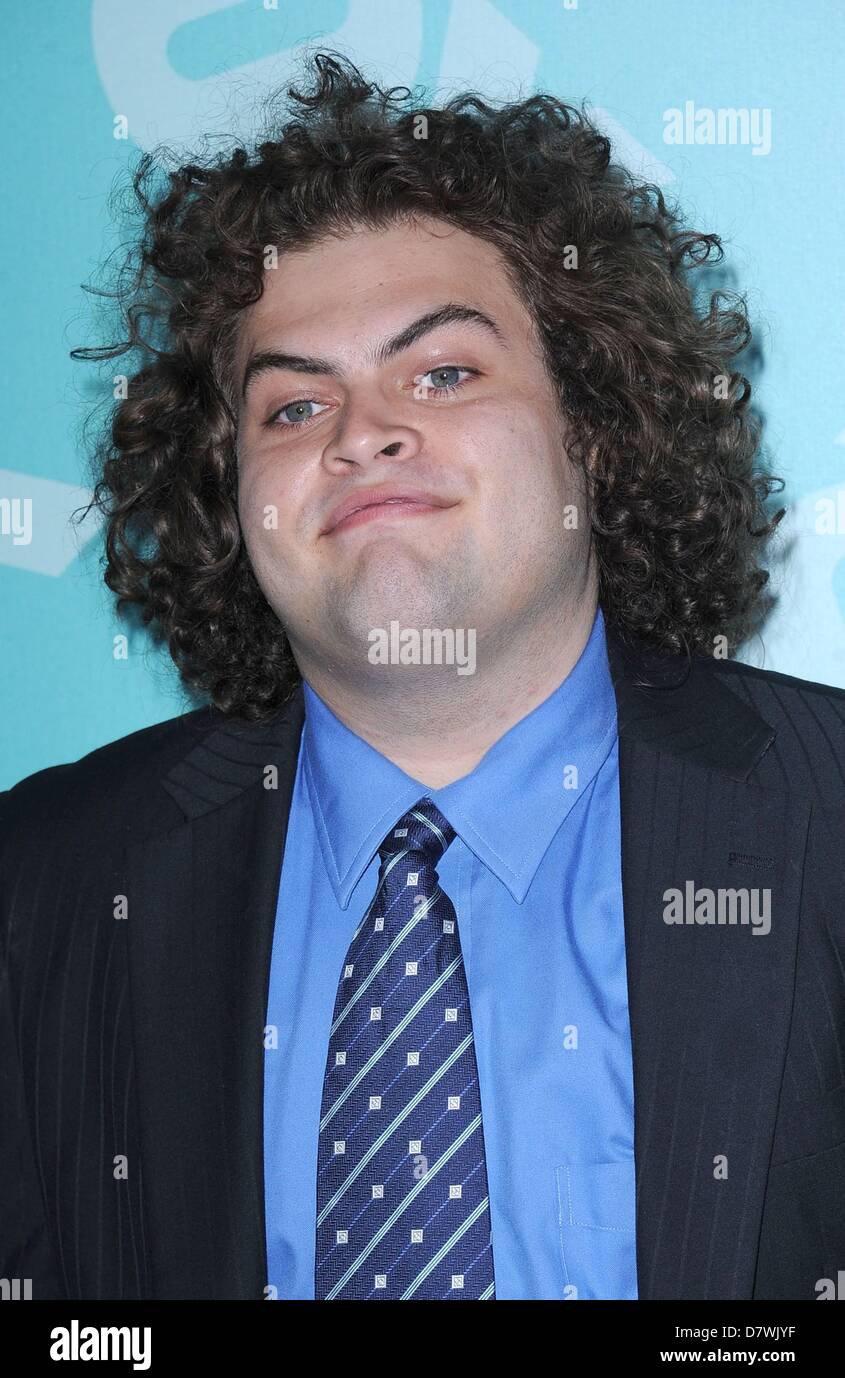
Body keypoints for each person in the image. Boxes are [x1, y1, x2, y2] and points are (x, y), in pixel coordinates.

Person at [1, 51, 843, 1302]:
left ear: (593, 431)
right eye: (292, 407)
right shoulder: (45, 879)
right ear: (228, 497)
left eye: (442, 373)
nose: (362, 433)